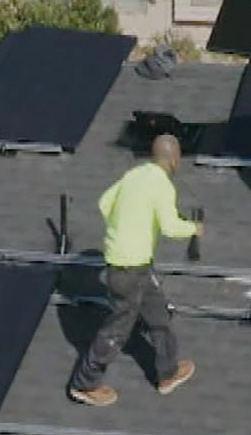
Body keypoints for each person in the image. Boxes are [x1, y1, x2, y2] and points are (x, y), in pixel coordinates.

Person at [69, 134, 203, 406]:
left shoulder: (134, 175)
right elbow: (169, 226)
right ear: (174, 159)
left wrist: (123, 229)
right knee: (117, 328)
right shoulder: (163, 185)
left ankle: (168, 372)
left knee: (157, 312)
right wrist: (194, 228)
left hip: (132, 264)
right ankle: (84, 383)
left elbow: (105, 202)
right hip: (128, 268)